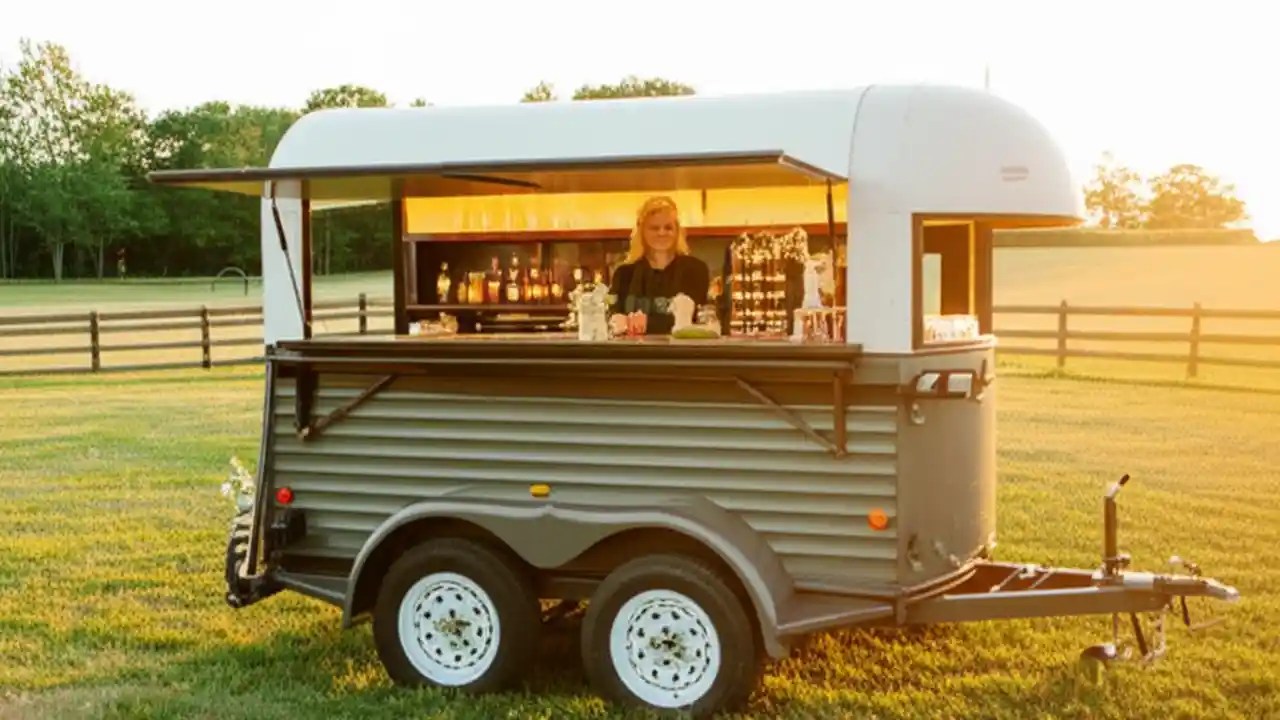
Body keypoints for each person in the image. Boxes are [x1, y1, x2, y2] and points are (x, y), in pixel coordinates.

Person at [608, 196, 710, 335]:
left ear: (677, 232)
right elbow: (612, 316)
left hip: (681, 354)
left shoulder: (695, 270)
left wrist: (646, 323)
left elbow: (693, 320)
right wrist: (615, 320)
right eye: (654, 228)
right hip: (631, 354)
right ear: (642, 232)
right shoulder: (624, 273)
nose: (662, 233)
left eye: (668, 227)